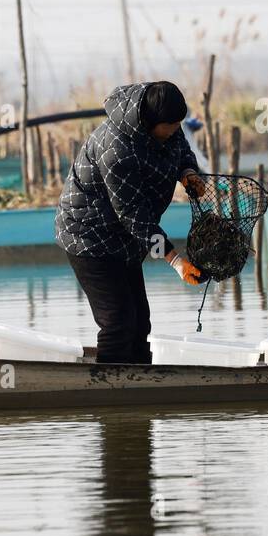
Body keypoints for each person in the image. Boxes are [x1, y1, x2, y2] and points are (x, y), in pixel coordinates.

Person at [55, 81, 205, 364]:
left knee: (140, 323)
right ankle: (109, 387)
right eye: (170, 126)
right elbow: (136, 218)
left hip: (124, 239)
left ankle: (140, 381)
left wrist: (187, 171)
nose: (176, 130)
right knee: (118, 322)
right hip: (88, 236)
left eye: (178, 125)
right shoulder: (116, 150)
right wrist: (176, 261)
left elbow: (181, 146)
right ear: (150, 122)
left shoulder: (165, 126)